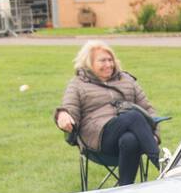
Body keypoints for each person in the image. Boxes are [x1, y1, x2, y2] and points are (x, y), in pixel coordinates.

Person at [53, 41, 159, 185]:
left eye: (111, 60)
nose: (109, 64)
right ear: (89, 63)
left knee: (130, 140)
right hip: (98, 140)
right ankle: (162, 165)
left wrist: (155, 135)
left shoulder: (126, 80)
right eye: (102, 61)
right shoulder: (77, 84)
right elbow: (69, 108)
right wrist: (62, 115)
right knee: (133, 116)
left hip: (127, 140)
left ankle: (123, 189)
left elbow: (148, 110)